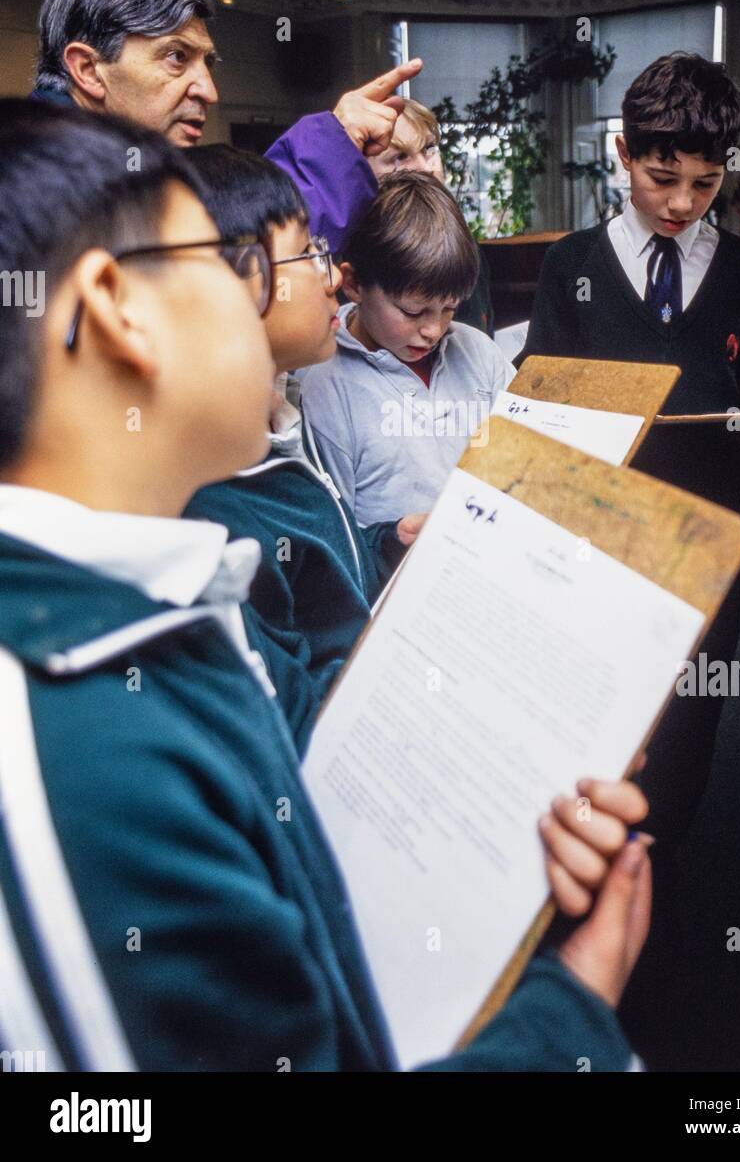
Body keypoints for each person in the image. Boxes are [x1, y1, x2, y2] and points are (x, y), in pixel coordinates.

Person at [0, 98, 651, 1072]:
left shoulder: (171, 607)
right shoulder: (76, 737)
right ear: (114, 314)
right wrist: (570, 1008)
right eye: (244, 268)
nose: (295, 295)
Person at [521, 52, 740, 844]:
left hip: (715, 531)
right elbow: (539, 388)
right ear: (623, 154)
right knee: (597, 694)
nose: (681, 203)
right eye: (660, 176)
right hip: (602, 529)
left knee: (690, 711)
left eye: (704, 185)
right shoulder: (569, 265)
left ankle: (662, 861)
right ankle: (587, 849)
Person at [182, 144, 419, 742]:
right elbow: (296, 723)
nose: (334, 274)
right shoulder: (212, 512)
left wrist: (389, 544)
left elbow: (320, 580)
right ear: (239, 285)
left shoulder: (282, 421)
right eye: (310, 252)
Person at [31, 0, 418, 249]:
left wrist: (338, 142)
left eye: (208, 63)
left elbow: (243, 245)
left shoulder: (114, 183)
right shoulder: (35, 202)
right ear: (87, 69)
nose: (209, 91)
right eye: (176, 57)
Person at [298, 172, 514, 527]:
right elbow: (337, 538)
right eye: (412, 311)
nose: (434, 330)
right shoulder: (325, 384)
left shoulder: (478, 353)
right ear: (353, 284)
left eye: (449, 309)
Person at [367, 97, 495, 335]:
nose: (426, 168)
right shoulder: (333, 261)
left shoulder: (462, 249)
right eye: (400, 156)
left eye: (428, 149)